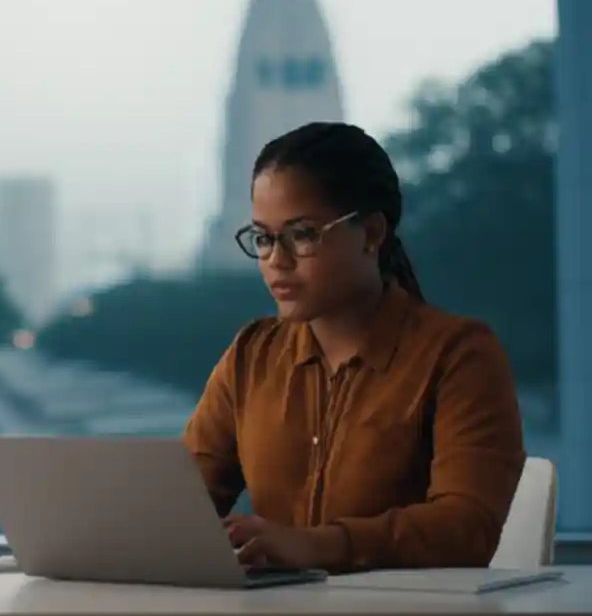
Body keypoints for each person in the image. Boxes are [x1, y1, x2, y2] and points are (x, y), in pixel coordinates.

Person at [183, 122, 526, 573]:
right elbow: (180, 506)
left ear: (370, 233)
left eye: (302, 235)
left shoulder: (458, 355)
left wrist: (314, 545)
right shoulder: (252, 356)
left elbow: (466, 529)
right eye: (264, 238)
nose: (275, 261)